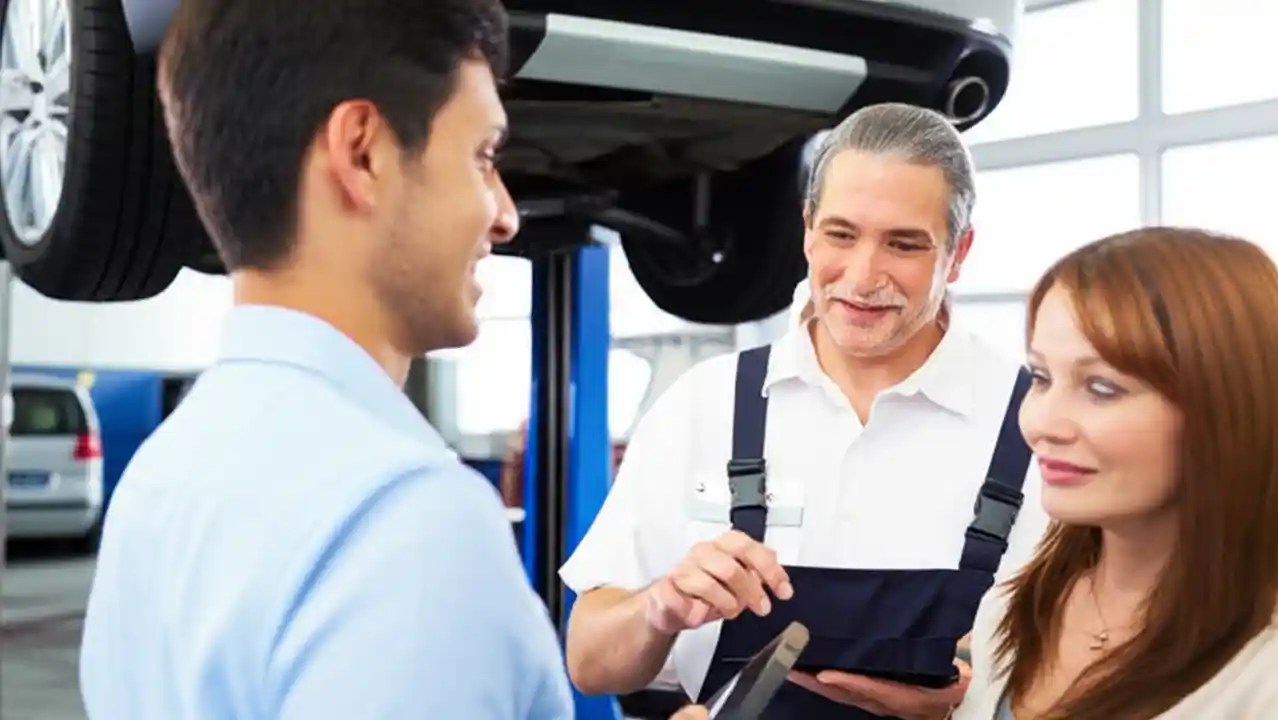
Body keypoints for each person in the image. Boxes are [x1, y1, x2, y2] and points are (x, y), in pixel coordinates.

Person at [76, 2, 711, 718]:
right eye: (483, 157)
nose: (505, 213)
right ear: (363, 153)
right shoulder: (407, 521)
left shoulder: (161, 480)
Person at [559, 103, 1052, 720]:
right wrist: (661, 606)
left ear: (958, 253)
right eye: (841, 235)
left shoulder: (1040, 426)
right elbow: (589, 662)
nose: (864, 276)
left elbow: (1121, 680)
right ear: (807, 229)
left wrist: (974, 710)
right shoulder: (705, 404)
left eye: (903, 244)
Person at [954, 228, 1278, 719]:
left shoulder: (1264, 673)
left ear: (1228, 407)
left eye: (1102, 388)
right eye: (1041, 377)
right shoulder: (1010, 611)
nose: (1041, 424)